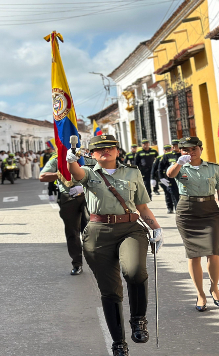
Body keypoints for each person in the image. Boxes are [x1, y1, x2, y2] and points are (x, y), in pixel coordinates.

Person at [67, 134, 163, 356]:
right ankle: (118, 342)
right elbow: (76, 172)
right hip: (98, 233)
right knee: (110, 291)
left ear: (118, 151)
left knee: (135, 271)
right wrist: (71, 159)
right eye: (99, 149)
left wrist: (156, 228)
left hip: (129, 228)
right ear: (91, 154)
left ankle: (138, 321)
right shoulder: (89, 173)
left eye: (110, 147)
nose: (105, 151)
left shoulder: (132, 172)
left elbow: (142, 205)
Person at [166, 136, 219, 312]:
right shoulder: (179, 167)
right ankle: (200, 294)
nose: (190, 153)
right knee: (194, 255)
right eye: (186, 150)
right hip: (187, 211)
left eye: (194, 149)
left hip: (210, 210)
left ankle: (214, 287)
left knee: (213, 253)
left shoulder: (214, 169)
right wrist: (179, 162)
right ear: (180, 151)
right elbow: (170, 175)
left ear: (201, 149)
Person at [40, 153, 88, 275]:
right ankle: (77, 263)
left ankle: (99, 260)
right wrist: (60, 174)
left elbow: (101, 174)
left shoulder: (87, 158)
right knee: (72, 232)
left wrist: (84, 187)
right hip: (68, 197)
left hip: (88, 196)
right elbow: (42, 176)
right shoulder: (57, 160)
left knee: (93, 229)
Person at [157, 139, 180, 211]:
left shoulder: (184, 154)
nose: (175, 147)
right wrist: (161, 178)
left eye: (177, 145)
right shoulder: (167, 156)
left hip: (182, 179)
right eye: (174, 146)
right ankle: (177, 211)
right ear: (172, 147)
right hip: (171, 179)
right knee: (175, 196)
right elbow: (160, 168)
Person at [152, 145, 175, 213]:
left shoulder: (173, 156)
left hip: (172, 178)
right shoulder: (159, 158)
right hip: (163, 179)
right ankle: (170, 207)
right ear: (163, 150)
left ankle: (176, 206)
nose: (167, 150)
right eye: (166, 149)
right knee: (167, 193)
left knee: (174, 193)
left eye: (169, 149)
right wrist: (152, 178)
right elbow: (154, 168)